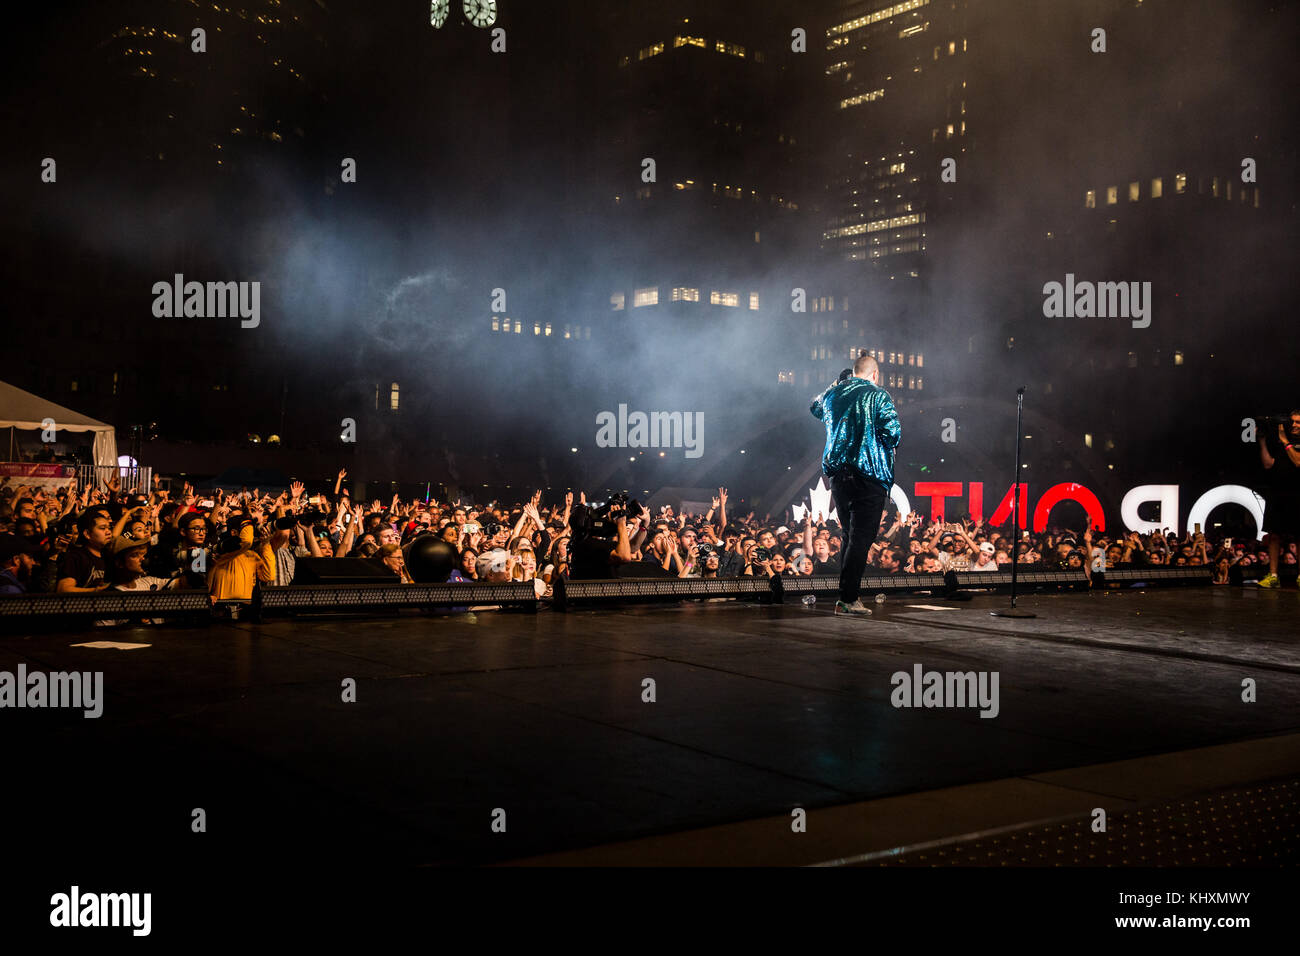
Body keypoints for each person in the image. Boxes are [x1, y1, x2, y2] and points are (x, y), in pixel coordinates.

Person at [810, 353, 901, 615]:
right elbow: (892, 433)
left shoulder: (833, 394)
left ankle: (846, 597)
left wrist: (835, 385)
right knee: (861, 537)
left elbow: (815, 408)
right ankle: (848, 599)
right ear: (875, 375)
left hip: (838, 476)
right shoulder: (878, 394)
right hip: (869, 474)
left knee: (851, 536)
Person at [1257, 410, 1300, 588]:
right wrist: (1262, 441)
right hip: (1278, 493)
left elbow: (1298, 462)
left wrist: (1286, 442)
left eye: (1298, 422)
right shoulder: (1280, 441)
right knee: (1274, 534)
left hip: (1298, 494)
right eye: (1293, 422)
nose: (1294, 425)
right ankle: (1273, 575)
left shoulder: (1287, 441)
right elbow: (1268, 464)